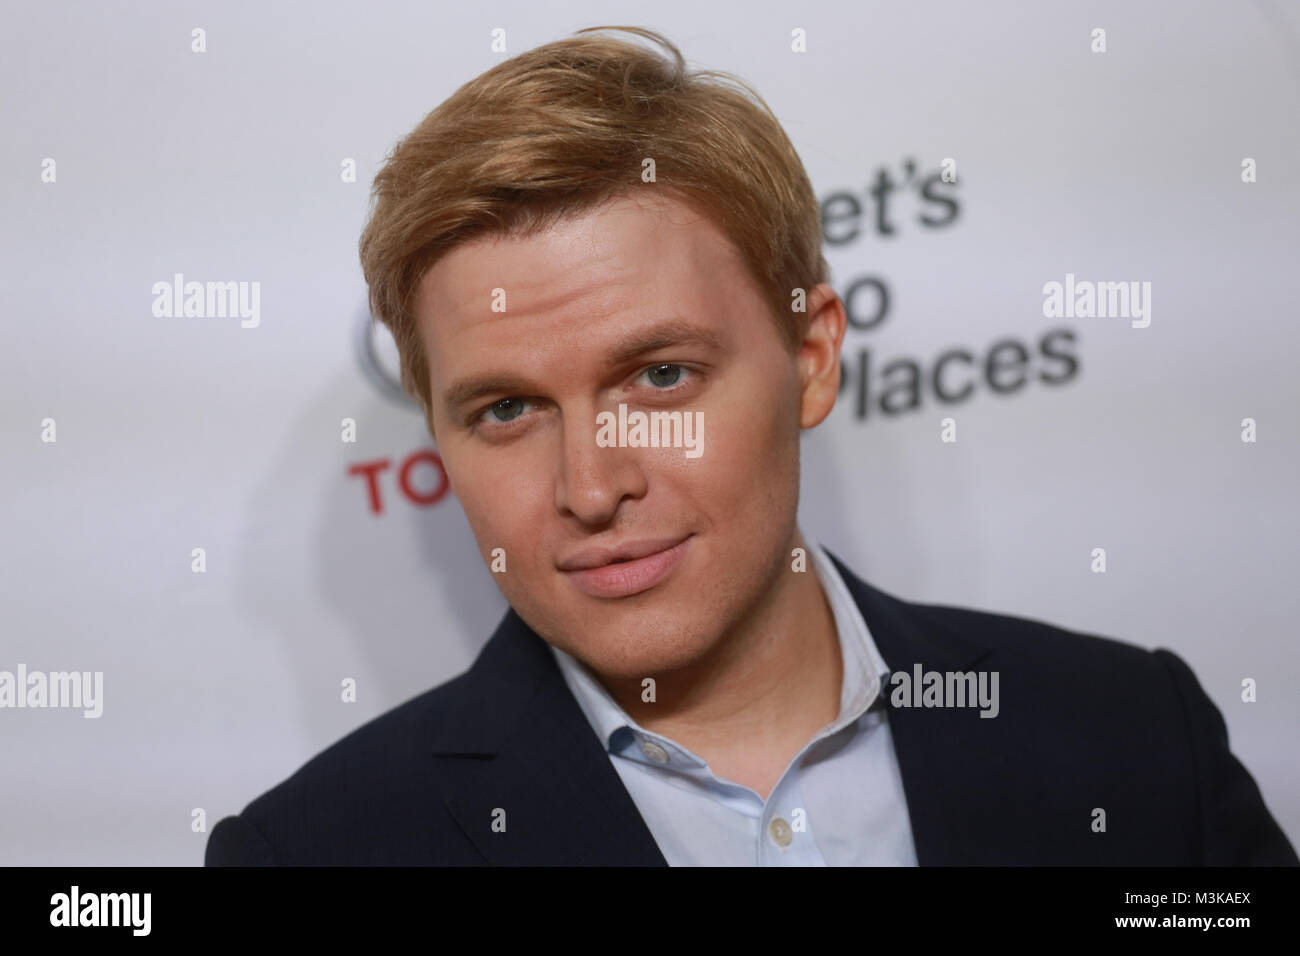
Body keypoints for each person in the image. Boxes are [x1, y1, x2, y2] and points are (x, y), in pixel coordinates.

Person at [206, 25, 1296, 866]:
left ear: (812, 357)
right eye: (506, 409)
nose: (591, 485)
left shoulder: (1130, 737)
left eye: (661, 375)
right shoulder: (314, 855)